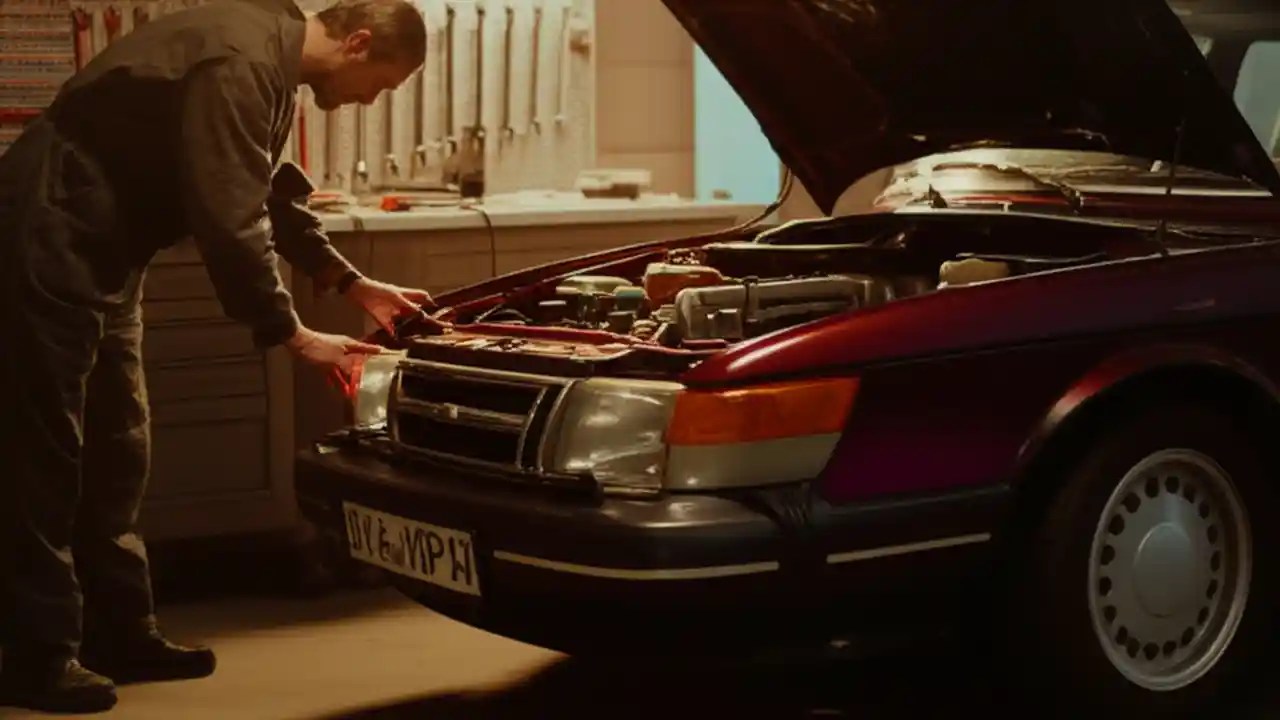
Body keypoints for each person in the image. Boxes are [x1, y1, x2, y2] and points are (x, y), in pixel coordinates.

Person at [0, 0, 431, 712]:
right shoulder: (242, 62)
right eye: (380, 85)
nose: (369, 101)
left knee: (118, 448)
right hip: (48, 234)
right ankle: (37, 656)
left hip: (104, 250)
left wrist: (350, 282)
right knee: (47, 456)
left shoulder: (266, 58)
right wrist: (294, 334)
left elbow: (260, 187)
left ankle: (119, 632)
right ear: (358, 43)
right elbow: (231, 221)